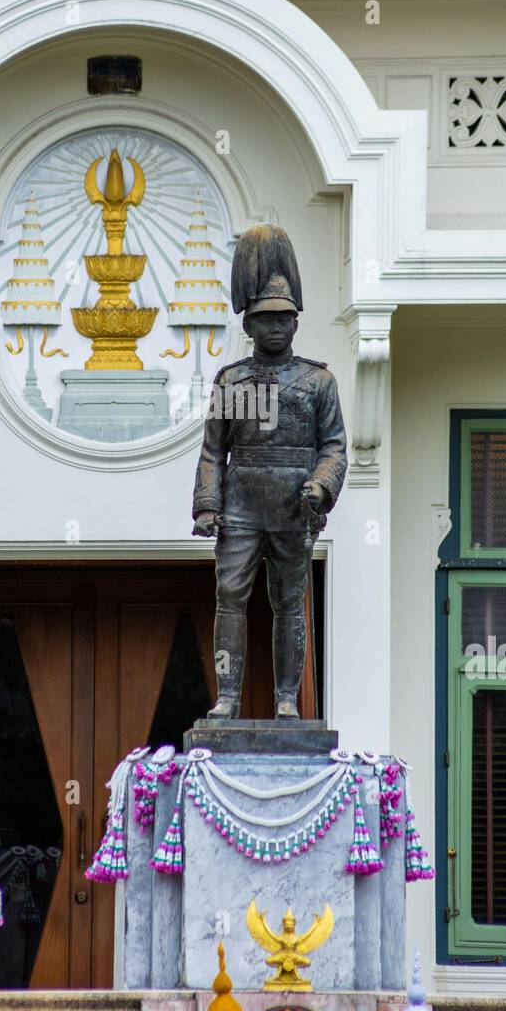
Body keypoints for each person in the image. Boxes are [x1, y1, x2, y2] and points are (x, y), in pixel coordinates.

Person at [192, 224, 347, 719]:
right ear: (249, 326)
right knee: (230, 598)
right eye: (266, 319)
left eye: (284, 318)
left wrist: (321, 486)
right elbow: (214, 451)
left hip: (293, 506)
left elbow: (335, 446)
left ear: (297, 323)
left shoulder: (319, 381)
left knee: (289, 602)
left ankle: (285, 699)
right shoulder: (231, 381)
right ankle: (228, 697)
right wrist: (208, 505)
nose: (276, 327)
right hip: (240, 504)